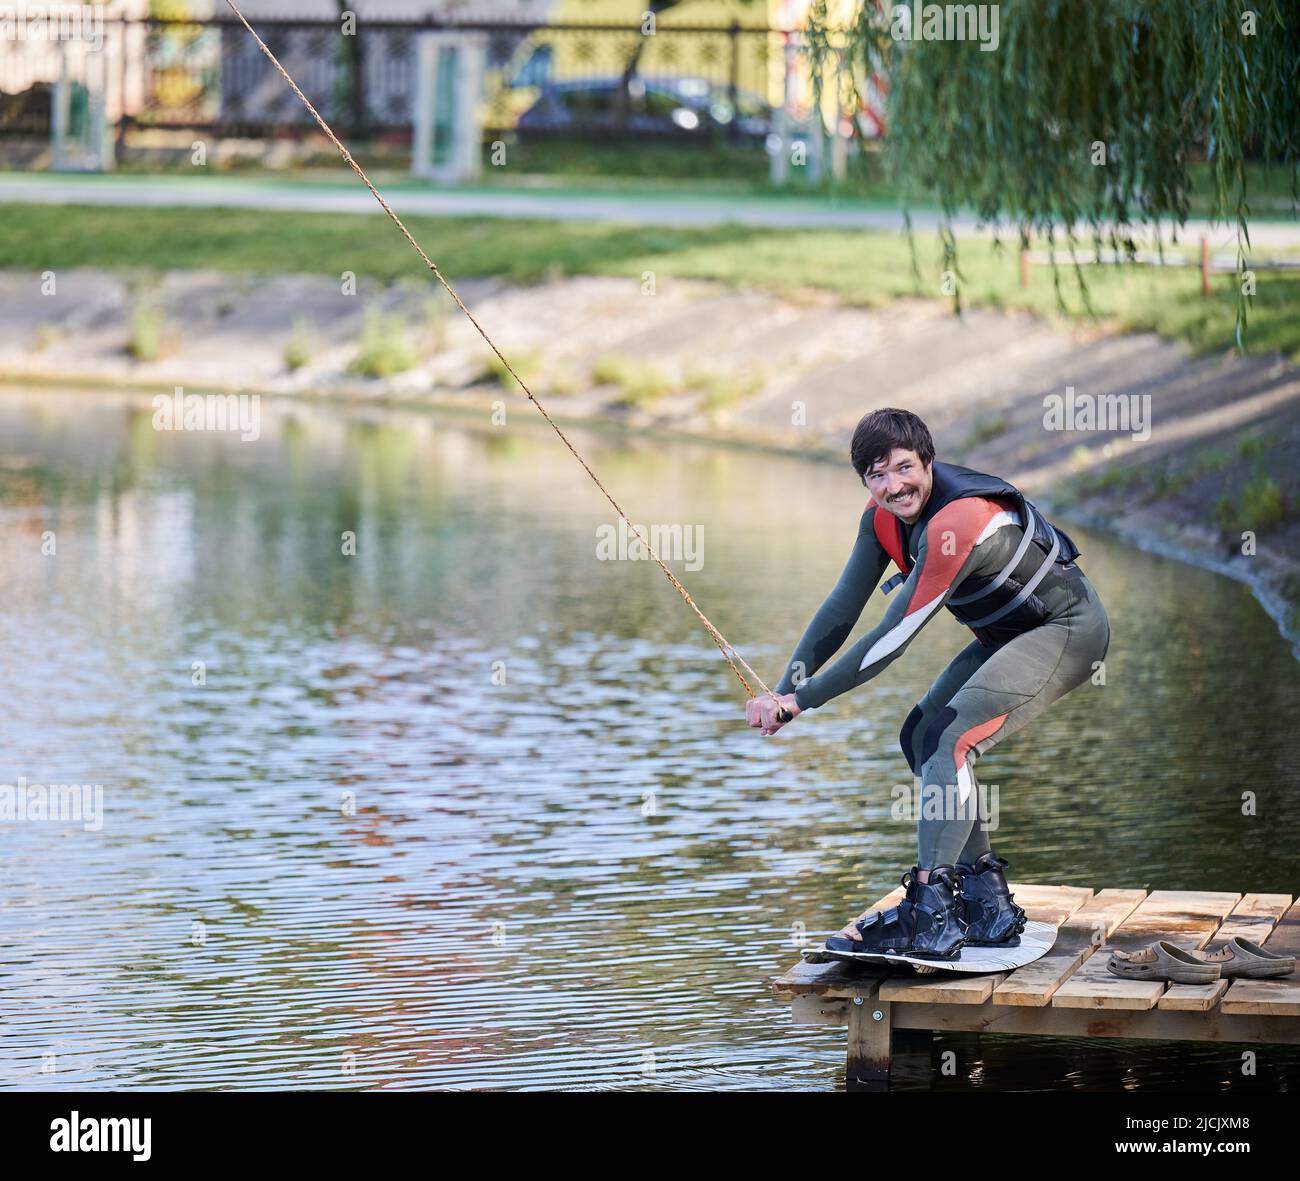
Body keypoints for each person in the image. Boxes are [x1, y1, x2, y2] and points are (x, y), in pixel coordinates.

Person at [745, 408, 1111, 960]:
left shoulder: (957, 522)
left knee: (950, 738)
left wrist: (800, 703)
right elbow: (842, 610)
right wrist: (781, 689)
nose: (894, 486)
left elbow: (892, 640)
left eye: (903, 468)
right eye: (877, 474)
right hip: (1005, 636)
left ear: (929, 461)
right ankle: (986, 905)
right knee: (921, 735)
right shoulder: (880, 520)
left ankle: (929, 913)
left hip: (1067, 631)